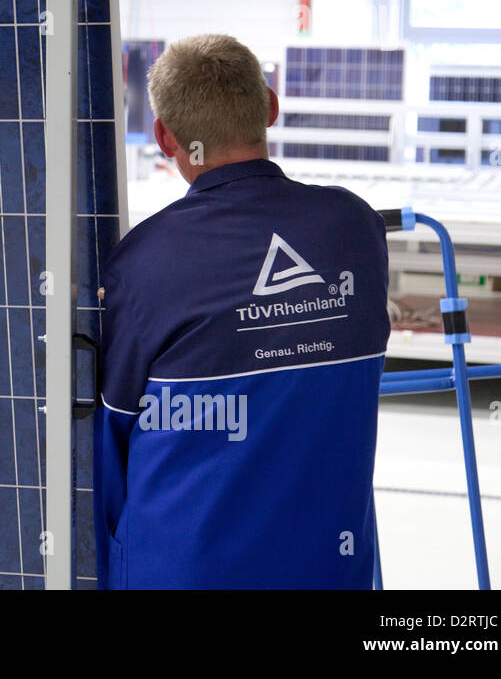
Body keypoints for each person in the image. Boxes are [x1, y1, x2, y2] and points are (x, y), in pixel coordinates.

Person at [95, 33, 390, 588]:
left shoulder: (145, 260)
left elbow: (110, 440)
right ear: (270, 107)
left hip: (182, 566)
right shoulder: (355, 226)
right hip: (329, 564)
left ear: (164, 137)